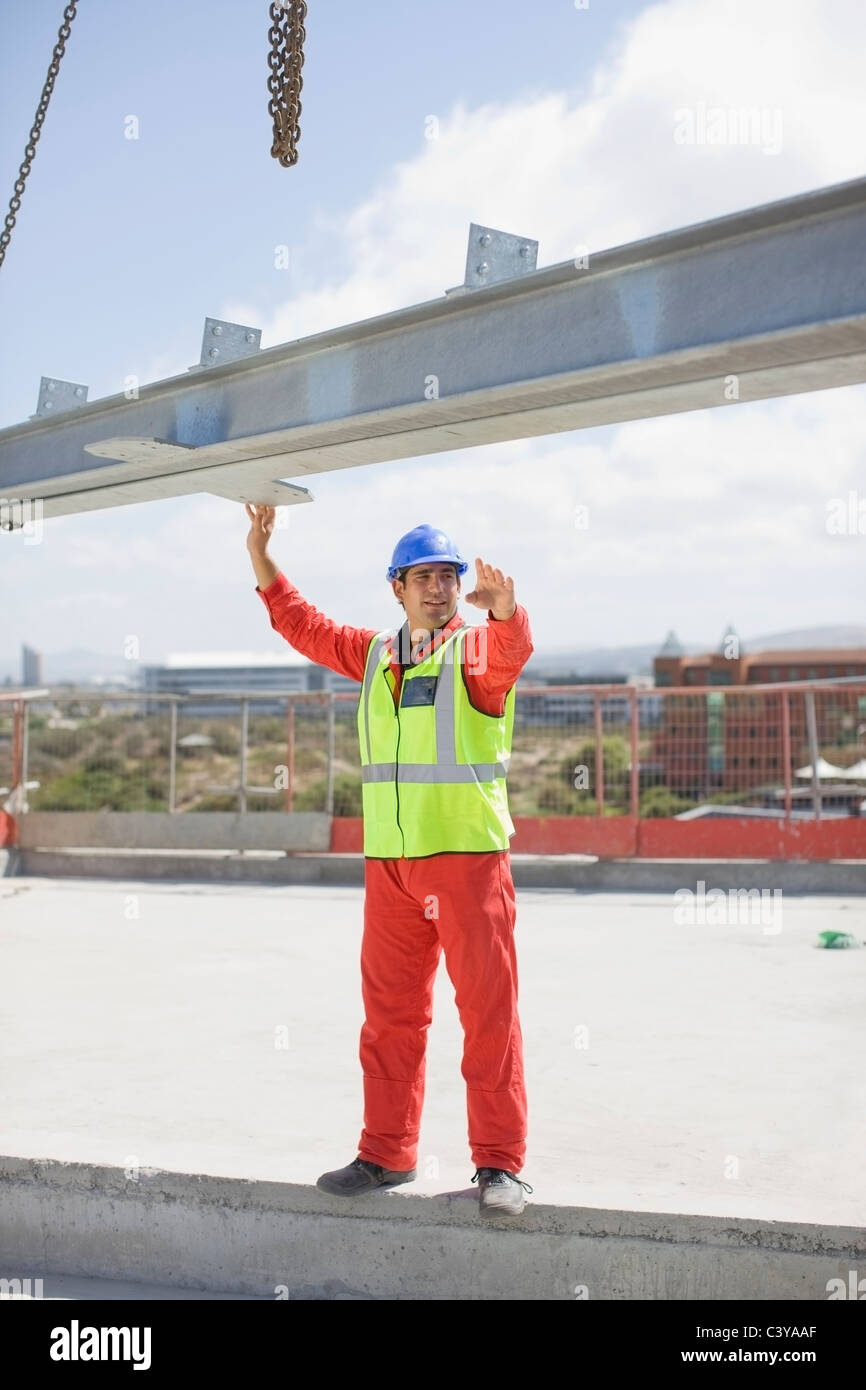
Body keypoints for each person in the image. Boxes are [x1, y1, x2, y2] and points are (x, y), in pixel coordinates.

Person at [246, 508, 535, 1217]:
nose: (438, 588)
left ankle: (500, 1166)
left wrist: (508, 612)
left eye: (449, 577)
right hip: (392, 869)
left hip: (466, 863)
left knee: (487, 1015)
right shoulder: (375, 655)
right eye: (424, 577)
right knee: (389, 1019)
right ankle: (385, 1153)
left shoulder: (473, 651)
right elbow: (302, 625)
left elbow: (508, 656)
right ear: (397, 589)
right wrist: (260, 553)